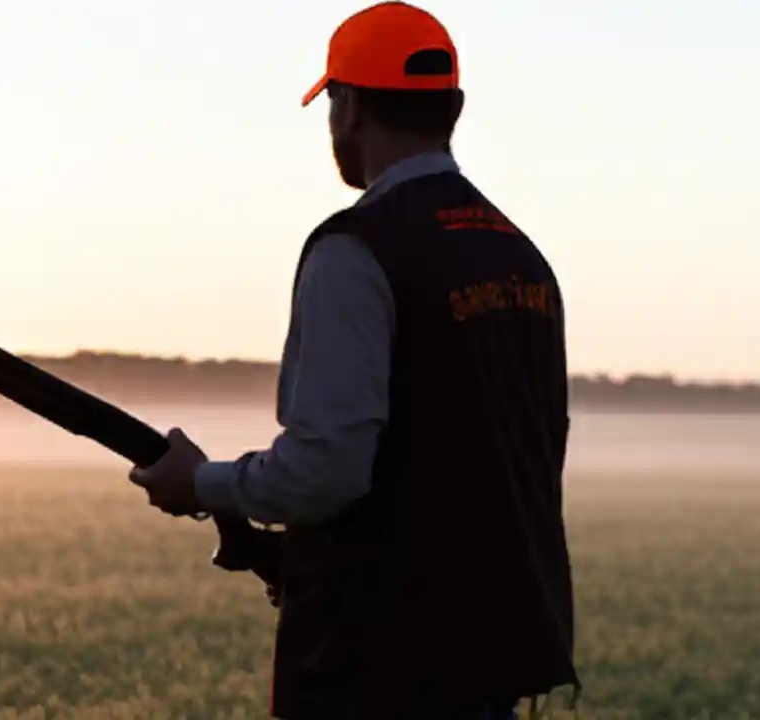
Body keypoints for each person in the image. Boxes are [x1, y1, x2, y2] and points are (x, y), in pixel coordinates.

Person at [129, 3, 581, 718]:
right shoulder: (521, 256)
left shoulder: (355, 250)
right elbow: (508, 457)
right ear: (451, 109)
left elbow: (327, 469)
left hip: (377, 668)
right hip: (492, 657)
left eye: (333, 99)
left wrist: (203, 482)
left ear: (351, 107)